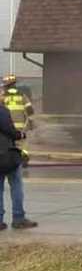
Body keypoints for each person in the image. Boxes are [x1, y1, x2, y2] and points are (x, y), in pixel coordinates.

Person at [0, 89, 34, 230]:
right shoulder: (2, 111)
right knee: (16, 184)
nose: (2, 95)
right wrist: (20, 135)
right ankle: (18, 218)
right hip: (6, 154)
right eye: (0, 93)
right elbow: (9, 130)